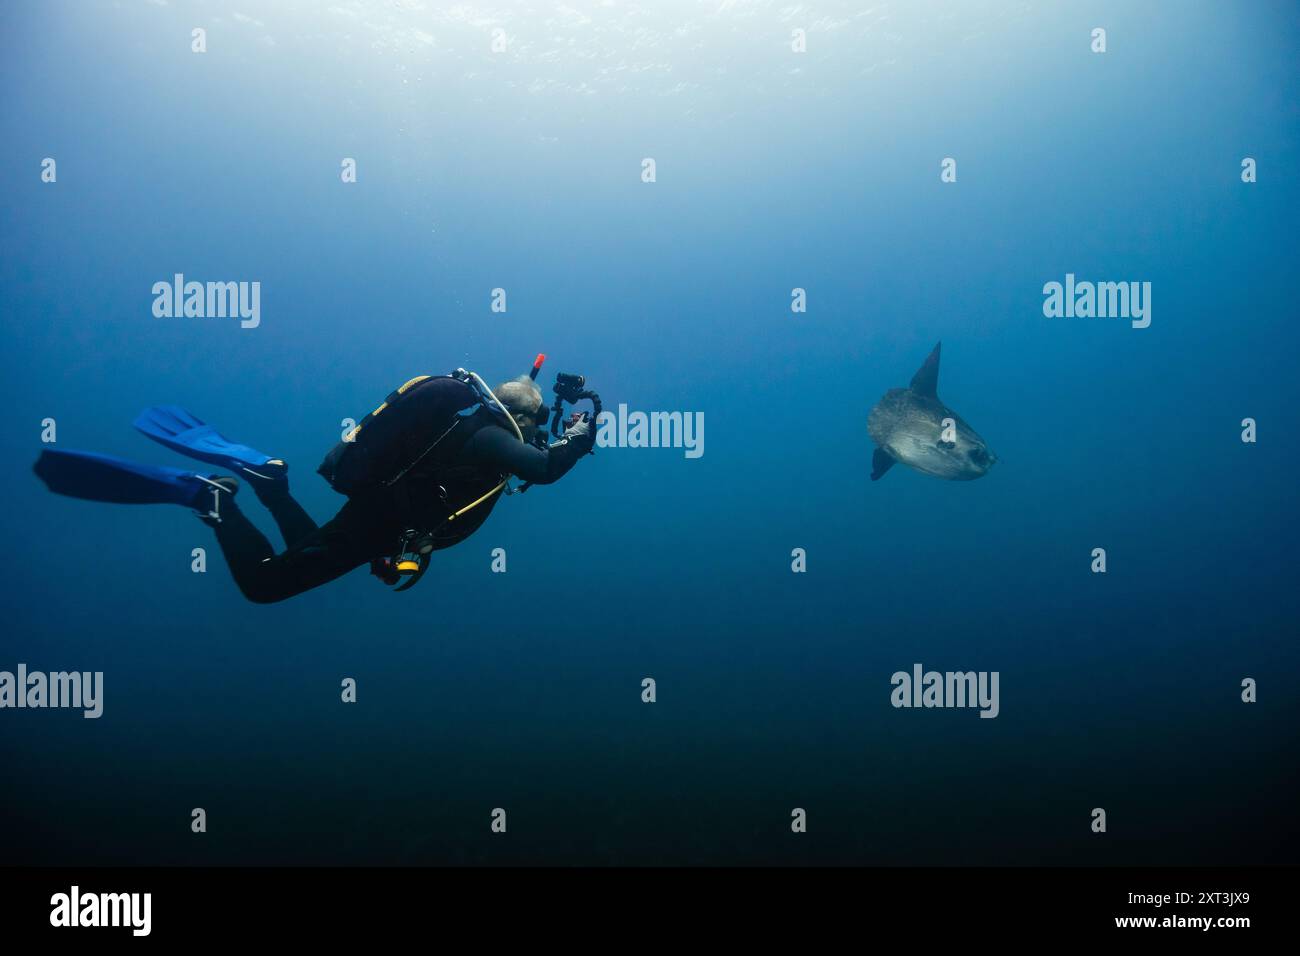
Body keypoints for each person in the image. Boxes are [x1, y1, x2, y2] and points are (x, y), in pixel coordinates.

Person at [33, 367, 597, 603]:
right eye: (537, 421)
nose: (536, 433)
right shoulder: (491, 437)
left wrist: (411, 550)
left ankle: (271, 484)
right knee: (264, 586)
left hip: (378, 521)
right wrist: (581, 433)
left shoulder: (475, 432)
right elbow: (544, 469)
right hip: (378, 522)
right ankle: (214, 498)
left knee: (307, 550)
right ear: (521, 416)